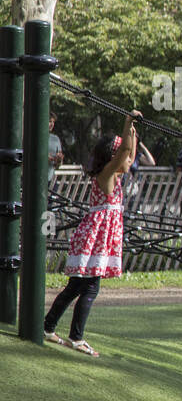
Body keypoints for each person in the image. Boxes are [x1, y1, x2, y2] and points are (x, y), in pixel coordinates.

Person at [43, 110, 141, 356]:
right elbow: (124, 155)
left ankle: (47, 327)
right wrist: (126, 123)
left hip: (97, 238)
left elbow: (129, 155)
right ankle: (76, 338)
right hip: (95, 239)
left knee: (76, 286)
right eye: (122, 154)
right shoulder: (106, 175)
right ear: (113, 156)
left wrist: (132, 132)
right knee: (89, 288)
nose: (128, 158)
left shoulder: (113, 174)